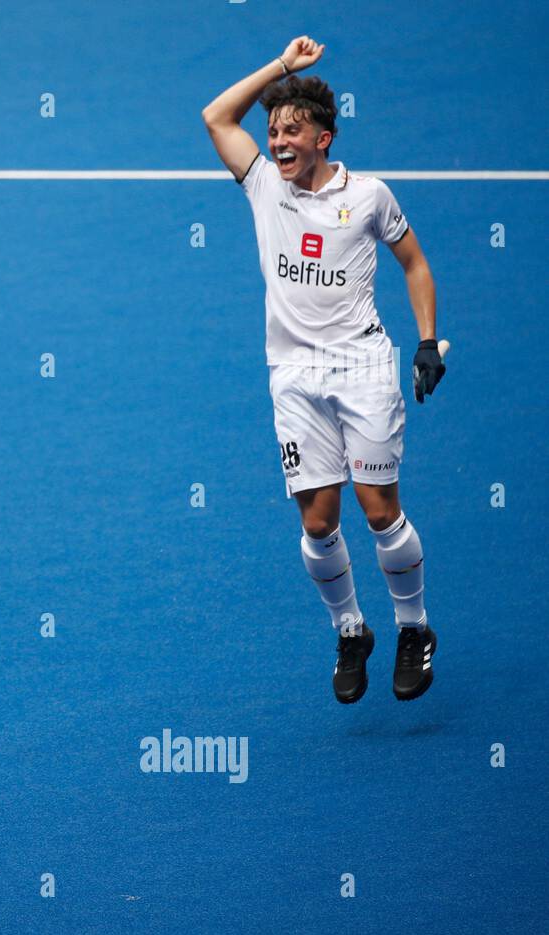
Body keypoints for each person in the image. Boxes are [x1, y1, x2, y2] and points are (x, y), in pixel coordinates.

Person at [202, 36, 444, 702]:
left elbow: (414, 264)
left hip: (362, 368)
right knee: (316, 522)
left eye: (291, 131)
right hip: (293, 376)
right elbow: (216, 117)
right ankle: (350, 632)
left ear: (324, 138)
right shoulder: (261, 187)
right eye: (273, 131)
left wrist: (426, 342)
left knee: (379, 512)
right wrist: (281, 70)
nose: (276, 141)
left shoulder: (368, 197)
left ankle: (414, 628)